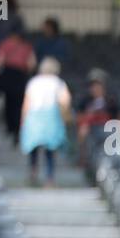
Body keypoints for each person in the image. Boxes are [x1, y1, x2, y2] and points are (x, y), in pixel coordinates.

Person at [19, 56, 71, 186]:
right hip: (51, 118)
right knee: (50, 150)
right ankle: (49, 178)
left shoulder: (33, 82)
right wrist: (65, 117)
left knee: (33, 148)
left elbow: (26, 104)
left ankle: (33, 173)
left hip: (33, 117)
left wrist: (23, 121)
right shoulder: (58, 83)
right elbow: (65, 101)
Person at [74, 68, 120, 168]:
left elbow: (119, 116)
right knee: (83, 131)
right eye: (93, 86)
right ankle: (83, 159)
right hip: (91, 128)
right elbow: (79, 117)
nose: (95, 88)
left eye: (98, 85)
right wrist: (89, 115)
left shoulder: (111, 99)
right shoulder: (85, 100)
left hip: (108, 128)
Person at [0, 30, 36, 143]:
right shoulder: (26, 46)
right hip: (20, 75)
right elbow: (31, 64)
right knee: (18, 103)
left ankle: (11, 127)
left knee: (9, 102)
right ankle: (17, 127)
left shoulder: (6, 44)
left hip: (9, 74)